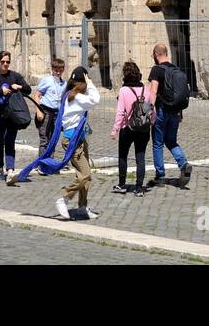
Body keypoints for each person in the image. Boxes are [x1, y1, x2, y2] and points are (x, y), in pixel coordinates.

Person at [53, 67, 100, 220]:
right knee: (85, 175)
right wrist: (91, 84)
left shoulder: (70, 95)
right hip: (73, 141)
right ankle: (64, 197)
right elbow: (95, 100)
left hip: (79, 138)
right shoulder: (77, 98)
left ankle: (82, 207)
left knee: (86, 177)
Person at [148, 43, 192, 188]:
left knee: (158, 143)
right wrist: (180, 113)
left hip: (161, 111)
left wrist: (149, 111)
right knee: (171, 141)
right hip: (175, 112)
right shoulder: (176, 69)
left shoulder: (156, 70)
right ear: (167, 53)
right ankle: (183, 163)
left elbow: (153, 91)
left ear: (156, 55)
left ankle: (160, 176)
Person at [0, 51, 31, 180]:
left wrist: (18, 86)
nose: (5, 64)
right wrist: (0, 91)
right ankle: (0, 167)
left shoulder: (15, 76)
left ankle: (10, 170)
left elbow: (28, 89)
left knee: (10, 141)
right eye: (3, 62)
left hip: (12, 116)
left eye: (7, 62)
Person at [111, 61, 152, 196]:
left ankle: (122, 184)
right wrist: (152, 121)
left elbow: (120, 112)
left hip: (127, 128)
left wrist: (115, 129)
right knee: (140, 157)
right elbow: (151, 108)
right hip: (144, 128)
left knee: (123, 155)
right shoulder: (146, 89)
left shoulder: (123, 90)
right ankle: (139, 188)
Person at [33, 58, 66, 152]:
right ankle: (42, 163)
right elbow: (36, 94)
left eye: (60, 70)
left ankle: (50, 161)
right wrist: (38, 111)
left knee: (53, 138)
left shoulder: (64, 84)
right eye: (56, 70)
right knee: (44, 138)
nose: (58, 73)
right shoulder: (47, 80)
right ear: (52, 69)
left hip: (57, 113)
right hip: (45, 111)